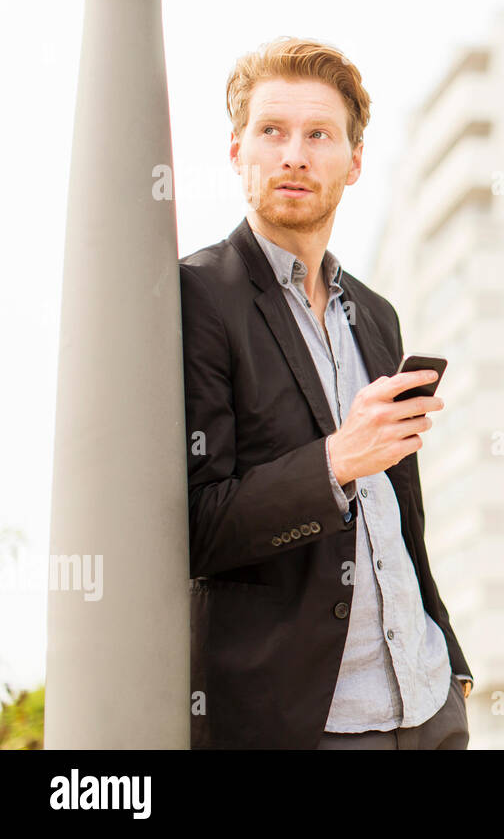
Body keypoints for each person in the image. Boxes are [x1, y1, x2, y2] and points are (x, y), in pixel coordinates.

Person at [179, 36, 473, 749]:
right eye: (271, 131)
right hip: (308, 721)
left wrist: (453, 664)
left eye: (320, 135)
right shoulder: (195, 297)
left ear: (354, 161)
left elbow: (402, 519)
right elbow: (199, 526)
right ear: (236, 150)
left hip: (427, 704)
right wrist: (337, 459)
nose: (294, 154)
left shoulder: (375, 314)